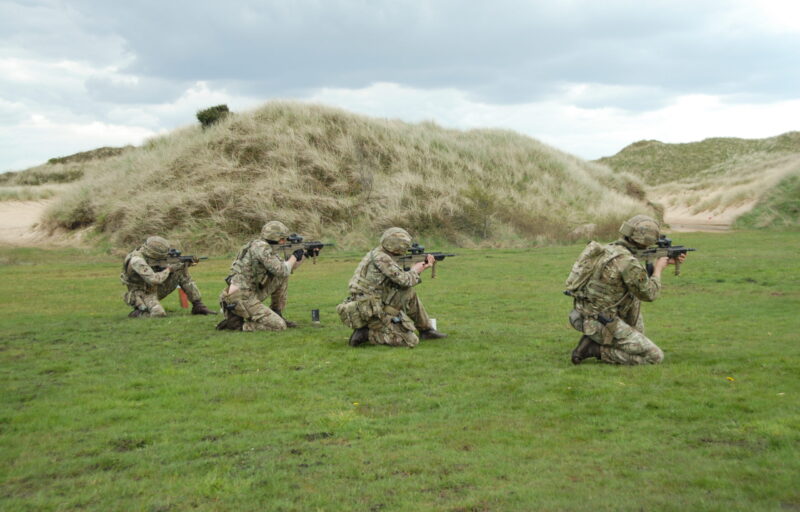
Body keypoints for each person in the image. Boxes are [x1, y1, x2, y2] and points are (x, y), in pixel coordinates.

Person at [567, 215, 687, 365]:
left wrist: (664, 261)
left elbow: (635, 282)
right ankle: (595, 349)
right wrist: (658, 269)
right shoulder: (628, 262)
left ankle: (595, 340)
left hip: (583, 314)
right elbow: (650, 294)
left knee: (636, 339)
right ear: (647, 240)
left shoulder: (610, 249)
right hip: (601, 321)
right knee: (654, 357)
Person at [337, 227, 447, 348]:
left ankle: (426, 330)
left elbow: (401, 283)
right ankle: (367, 333)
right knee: (410, 341)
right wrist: (417, 270)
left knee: (408, 292)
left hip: (370, 302)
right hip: (371, 309)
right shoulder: (382, 258)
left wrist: (413, 270)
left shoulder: (376, 253)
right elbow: (404, 280)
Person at [216, 221, 306, 331]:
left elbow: (286, 269)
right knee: (279, 326)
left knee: (281, 278)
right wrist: (295, 256)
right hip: (240, 297)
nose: (283, 242)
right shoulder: (261, 248)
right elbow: (282, 269)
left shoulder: (262, 246)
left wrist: (303, 256)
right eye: (282, 239)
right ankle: (238, 326)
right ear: (274, 237)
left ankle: (277, 313)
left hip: (249, 293)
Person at [121, 236, 216, 318]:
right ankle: (139, 312)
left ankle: (198, 305)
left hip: (154, 290)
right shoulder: (137, 260)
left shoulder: (150, 257)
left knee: (180, 272)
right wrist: (169, 269)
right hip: (141, 294)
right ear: (153, 253)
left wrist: (183, 265)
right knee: (159, 314)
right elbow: (154, 280)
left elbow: (161, 267)